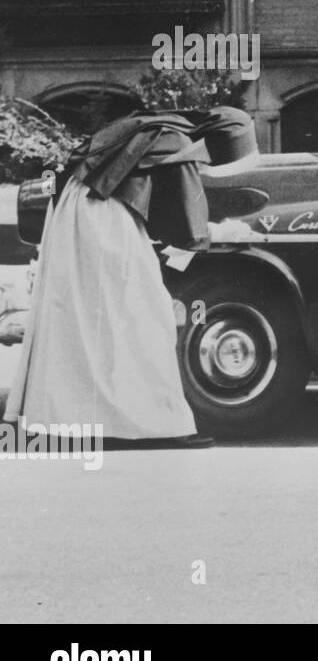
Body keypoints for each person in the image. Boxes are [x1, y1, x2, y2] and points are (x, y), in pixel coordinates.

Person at [3, 107, 258, 448]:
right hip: (105, 220)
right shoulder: (177, 142)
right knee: (145, 318)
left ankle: (75, 421)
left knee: (81, 324)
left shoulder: (152, 125)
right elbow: (186, 228)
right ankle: (157, 427)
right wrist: (225, 232)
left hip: (72, 210)